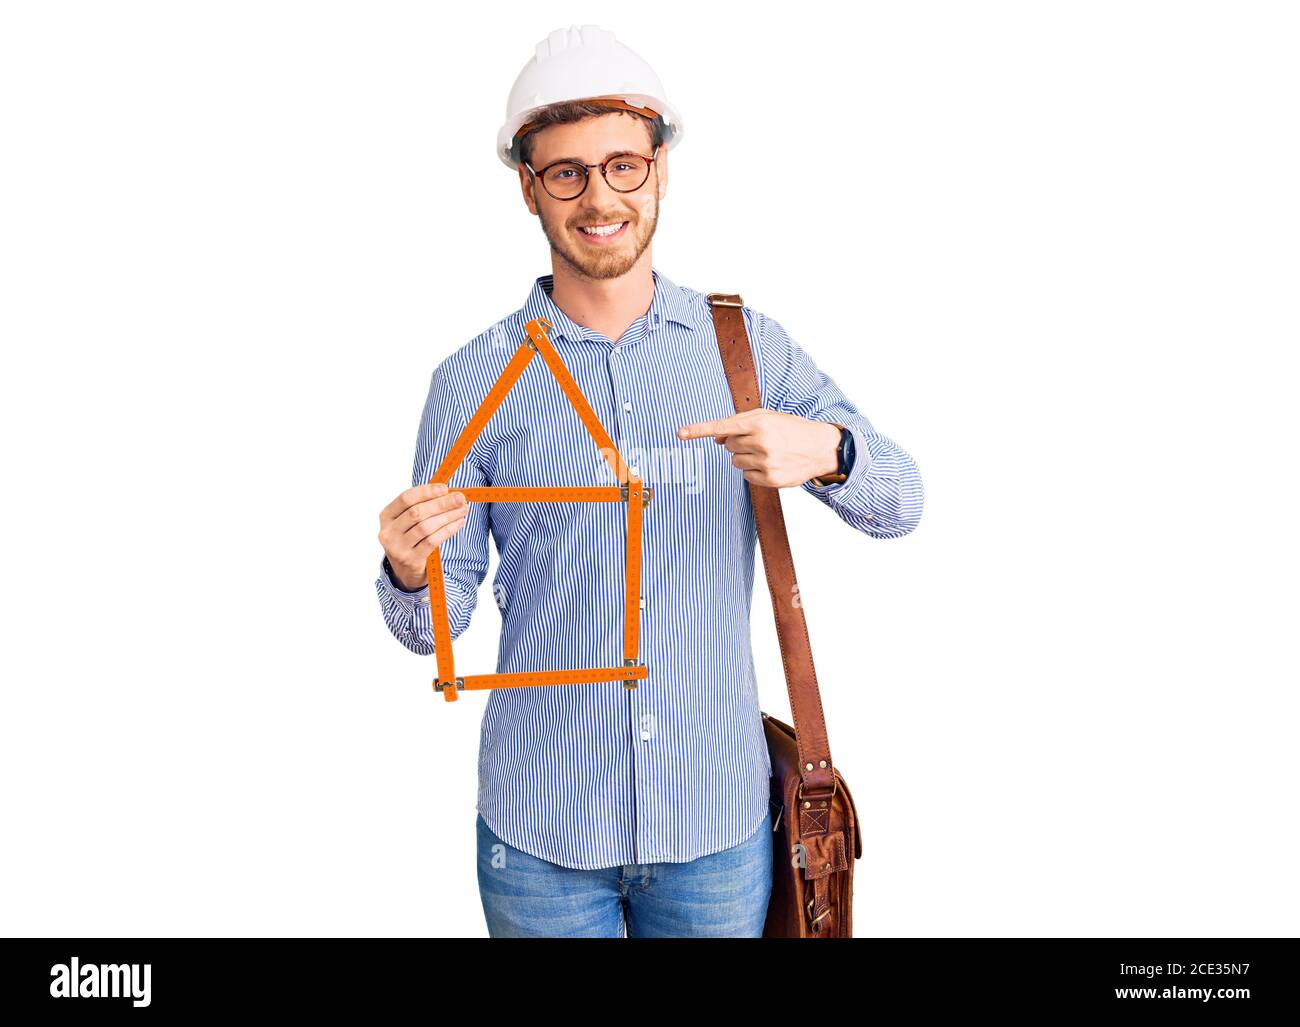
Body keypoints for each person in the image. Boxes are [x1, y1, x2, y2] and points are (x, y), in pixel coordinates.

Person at [374, 24, 924, 937]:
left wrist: (828, 449)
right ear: (528, 187)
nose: (599, 197)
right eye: (567, 173)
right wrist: (405, 570)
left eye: (623, 164)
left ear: (660, 167)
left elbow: (904, 501)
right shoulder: (471, 382)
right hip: (539, 833)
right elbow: (433, 622)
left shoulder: (744, 350)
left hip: (715, 828)